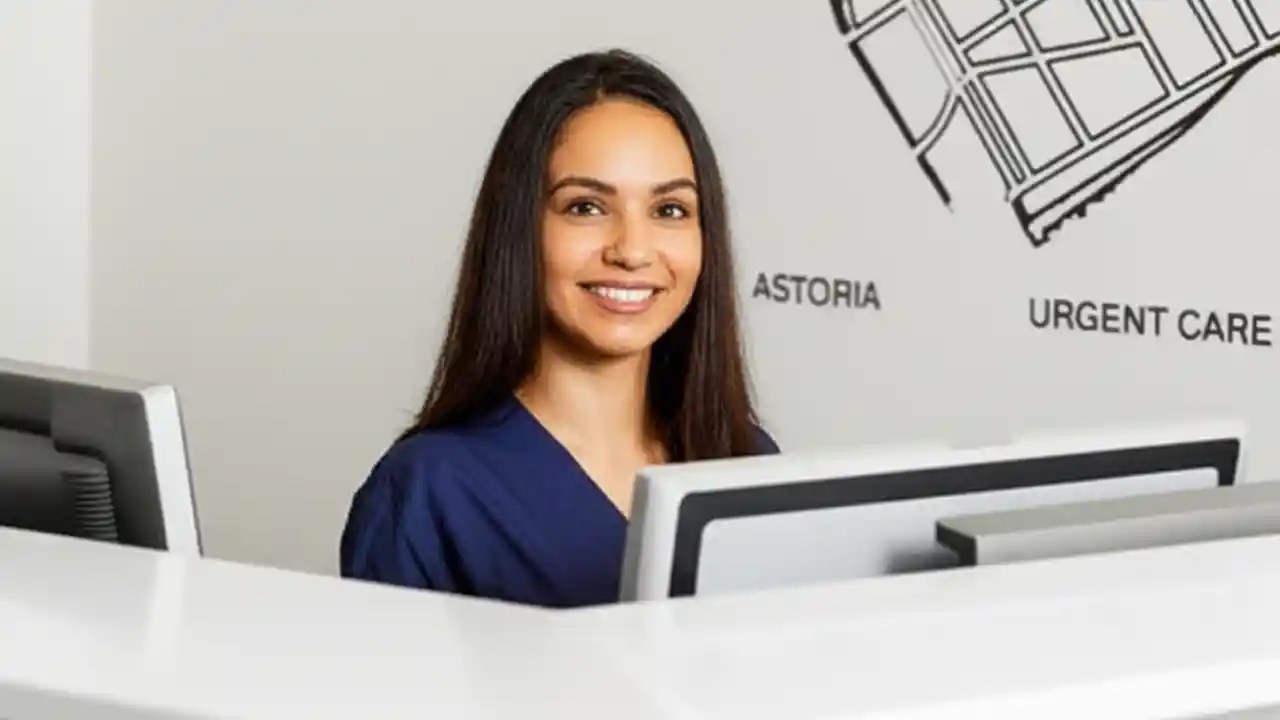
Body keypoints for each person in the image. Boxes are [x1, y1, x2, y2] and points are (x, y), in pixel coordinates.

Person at [339, 49, 778, 608]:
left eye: (669, 210)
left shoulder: (746, 462)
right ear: (520, 228)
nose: (633, 251)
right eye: (587, 207)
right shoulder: (429, 492)